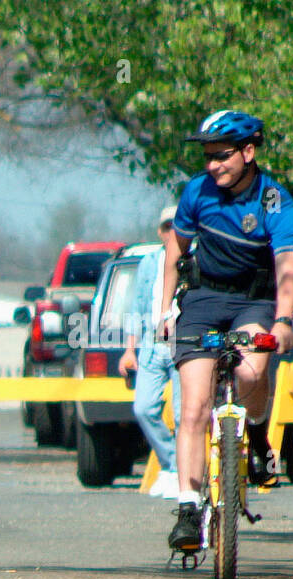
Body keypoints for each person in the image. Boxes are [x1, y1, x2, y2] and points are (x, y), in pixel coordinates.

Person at [160, 110, 293, 553]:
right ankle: (187, 510)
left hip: (255, 302)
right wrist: (163, 309)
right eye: (207, 157)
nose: (212, 166)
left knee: (248, 375)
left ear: (248, 151)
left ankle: (257, 433)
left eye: (221, 156)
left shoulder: (274, 200)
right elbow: (174, 251)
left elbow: (287, 264)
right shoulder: (196, 193)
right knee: (195, 407)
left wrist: (282, 320)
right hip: (203, 300)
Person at [119, 205, 182, 499]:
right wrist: (129, 350)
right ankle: (171, 464)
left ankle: (183, 474)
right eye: (167, 227)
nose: (172, 232)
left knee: (185, 415)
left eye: (177, 225)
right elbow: (136, 306)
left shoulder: (195, 258)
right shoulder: (148, 262)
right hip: (152, 343)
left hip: (184, 342)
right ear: (160, 231)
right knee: (143, 408)